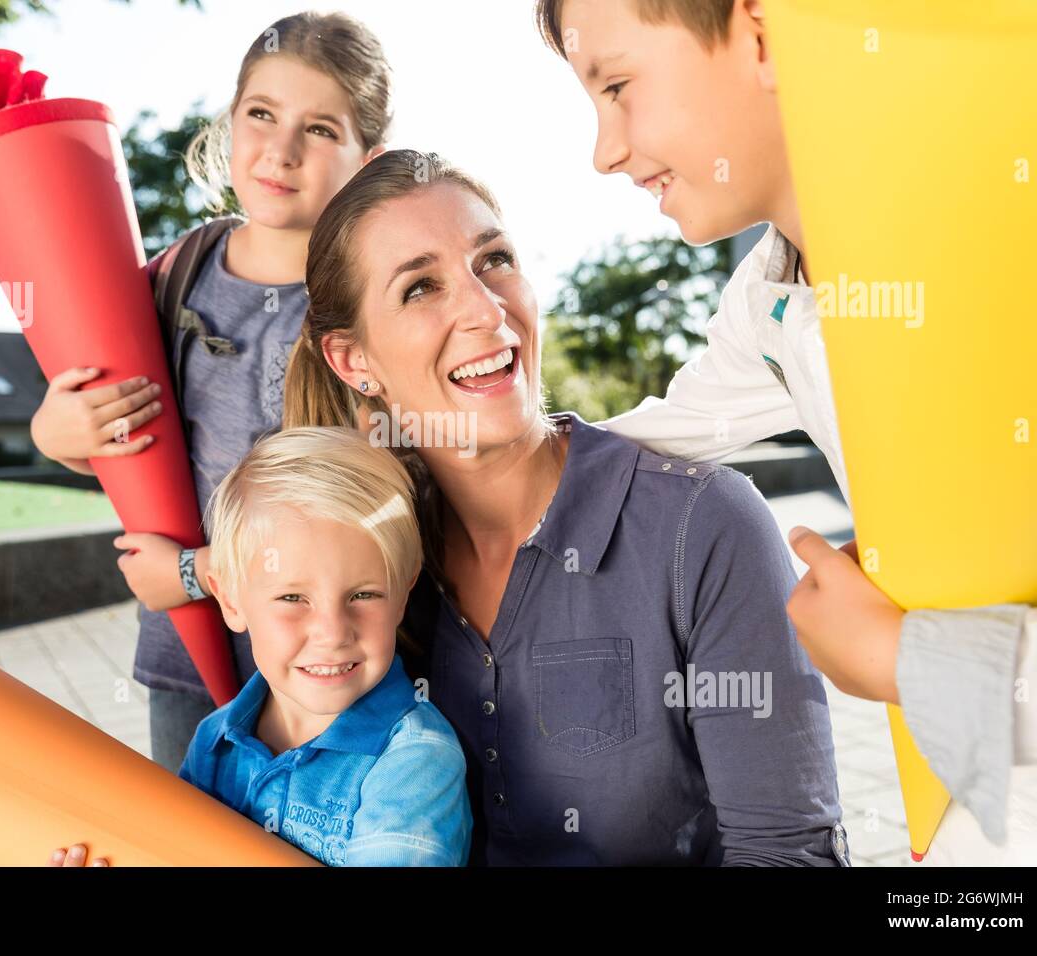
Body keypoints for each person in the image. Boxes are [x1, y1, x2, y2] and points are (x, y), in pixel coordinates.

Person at [534, 0, 1037, 863]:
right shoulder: (771, 298)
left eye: (620, 86)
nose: (604, 151)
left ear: (761, 34)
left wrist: (908, 664)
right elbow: (653, 435)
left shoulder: (1025, 217)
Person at [282, 148, 848, 866]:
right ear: (352, 361)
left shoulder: (700, 526)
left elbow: (788, 854)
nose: (486, 311)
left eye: (494, 261)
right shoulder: (363, 572)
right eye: (421, 287)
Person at [27, 12, 392, 772]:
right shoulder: (172, 275)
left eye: (320, 129)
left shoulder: (375, 302)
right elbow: (122, 436)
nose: (281, 150)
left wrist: (196, 572)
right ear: (230, 122)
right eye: (261, 114)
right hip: (186, 661)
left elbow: (376, 507)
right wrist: (57, 437)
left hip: (333, 665)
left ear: (368, 160)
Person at [49, 427, 472, 867]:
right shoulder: (215, 739)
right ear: (231, 600)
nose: (332, 632)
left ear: (403, 594)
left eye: (363, 595)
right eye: (292, 598)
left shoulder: (415, 764)